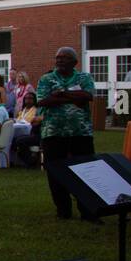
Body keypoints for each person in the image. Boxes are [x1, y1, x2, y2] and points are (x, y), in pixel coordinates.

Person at [37, 46, 98, 220]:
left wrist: (61, 94)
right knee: (56, 172)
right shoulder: (46, 78)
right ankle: (63, 210)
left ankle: (88, 210)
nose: (60, 60)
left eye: (64, 57)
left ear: (74, 62)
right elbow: (42, 101)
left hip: (81, 132)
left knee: (86, 170)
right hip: (53, 133)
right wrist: (73, 97)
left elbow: (88, 96)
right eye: (57, 58)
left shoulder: (84, 77)